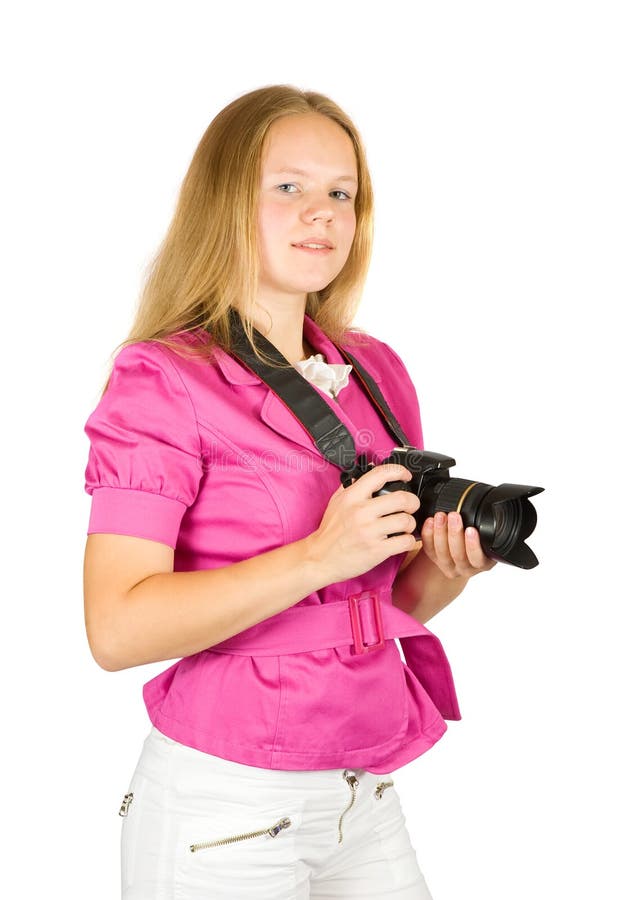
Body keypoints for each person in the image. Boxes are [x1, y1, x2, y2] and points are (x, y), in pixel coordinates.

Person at [82, 84, 496, 900]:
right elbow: (115, 629)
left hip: (362, 794)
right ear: (227, 200)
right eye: (289, 187)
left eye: (341, 193)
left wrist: (445, 570)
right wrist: (316, 554)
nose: (323, 215)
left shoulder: (373, 372)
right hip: (223, 809)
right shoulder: (159, 381)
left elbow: (368, 606)